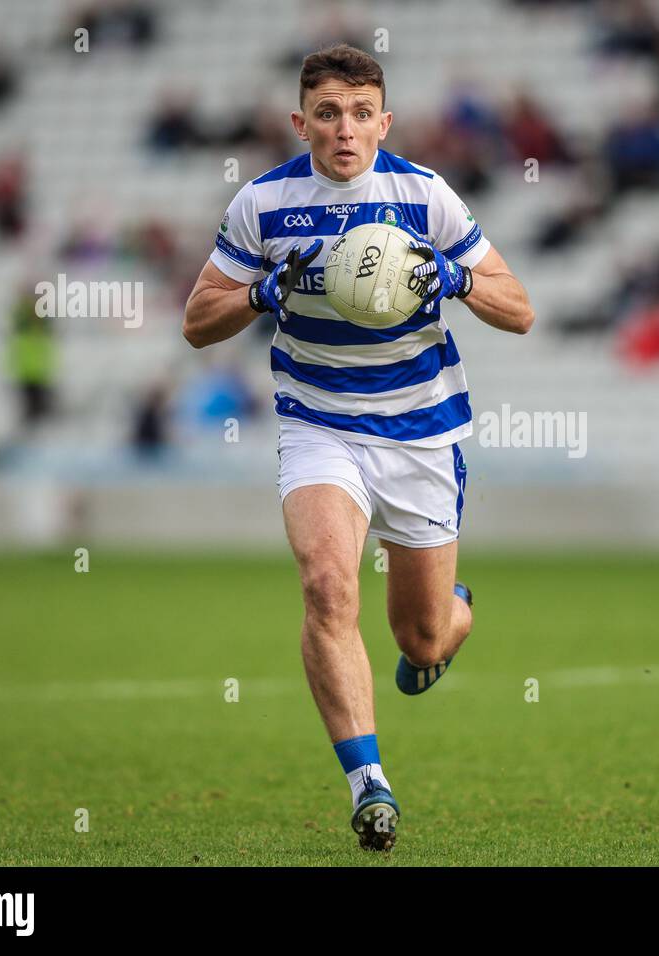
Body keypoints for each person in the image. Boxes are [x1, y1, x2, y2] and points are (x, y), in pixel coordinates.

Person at [182, 44, 534, 851]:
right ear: (299, 121)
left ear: (386, 122)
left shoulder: (424, 195)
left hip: (421, 431)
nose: (346, 130)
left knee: (421, 637)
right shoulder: (263, 204)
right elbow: (198, 322)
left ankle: (455, 618)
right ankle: (367, 781)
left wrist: (455, 277)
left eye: (361, 113)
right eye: (329, 114)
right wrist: (262, 292)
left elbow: (520, 310)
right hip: (320, 424)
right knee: (328, 585)